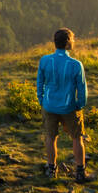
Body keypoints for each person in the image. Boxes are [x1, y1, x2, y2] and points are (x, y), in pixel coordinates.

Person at [36, 27, 91, 183]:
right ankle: (80, 172)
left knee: (50, 137)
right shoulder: (76, 64)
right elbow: (82, 88)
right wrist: (80, 105)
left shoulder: (45, 60)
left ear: (55, 42)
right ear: (68, 43)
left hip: (49, 105)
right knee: (76, 138)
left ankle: (51, 169)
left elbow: (40, 82)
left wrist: (42, 100)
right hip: (69, 107)